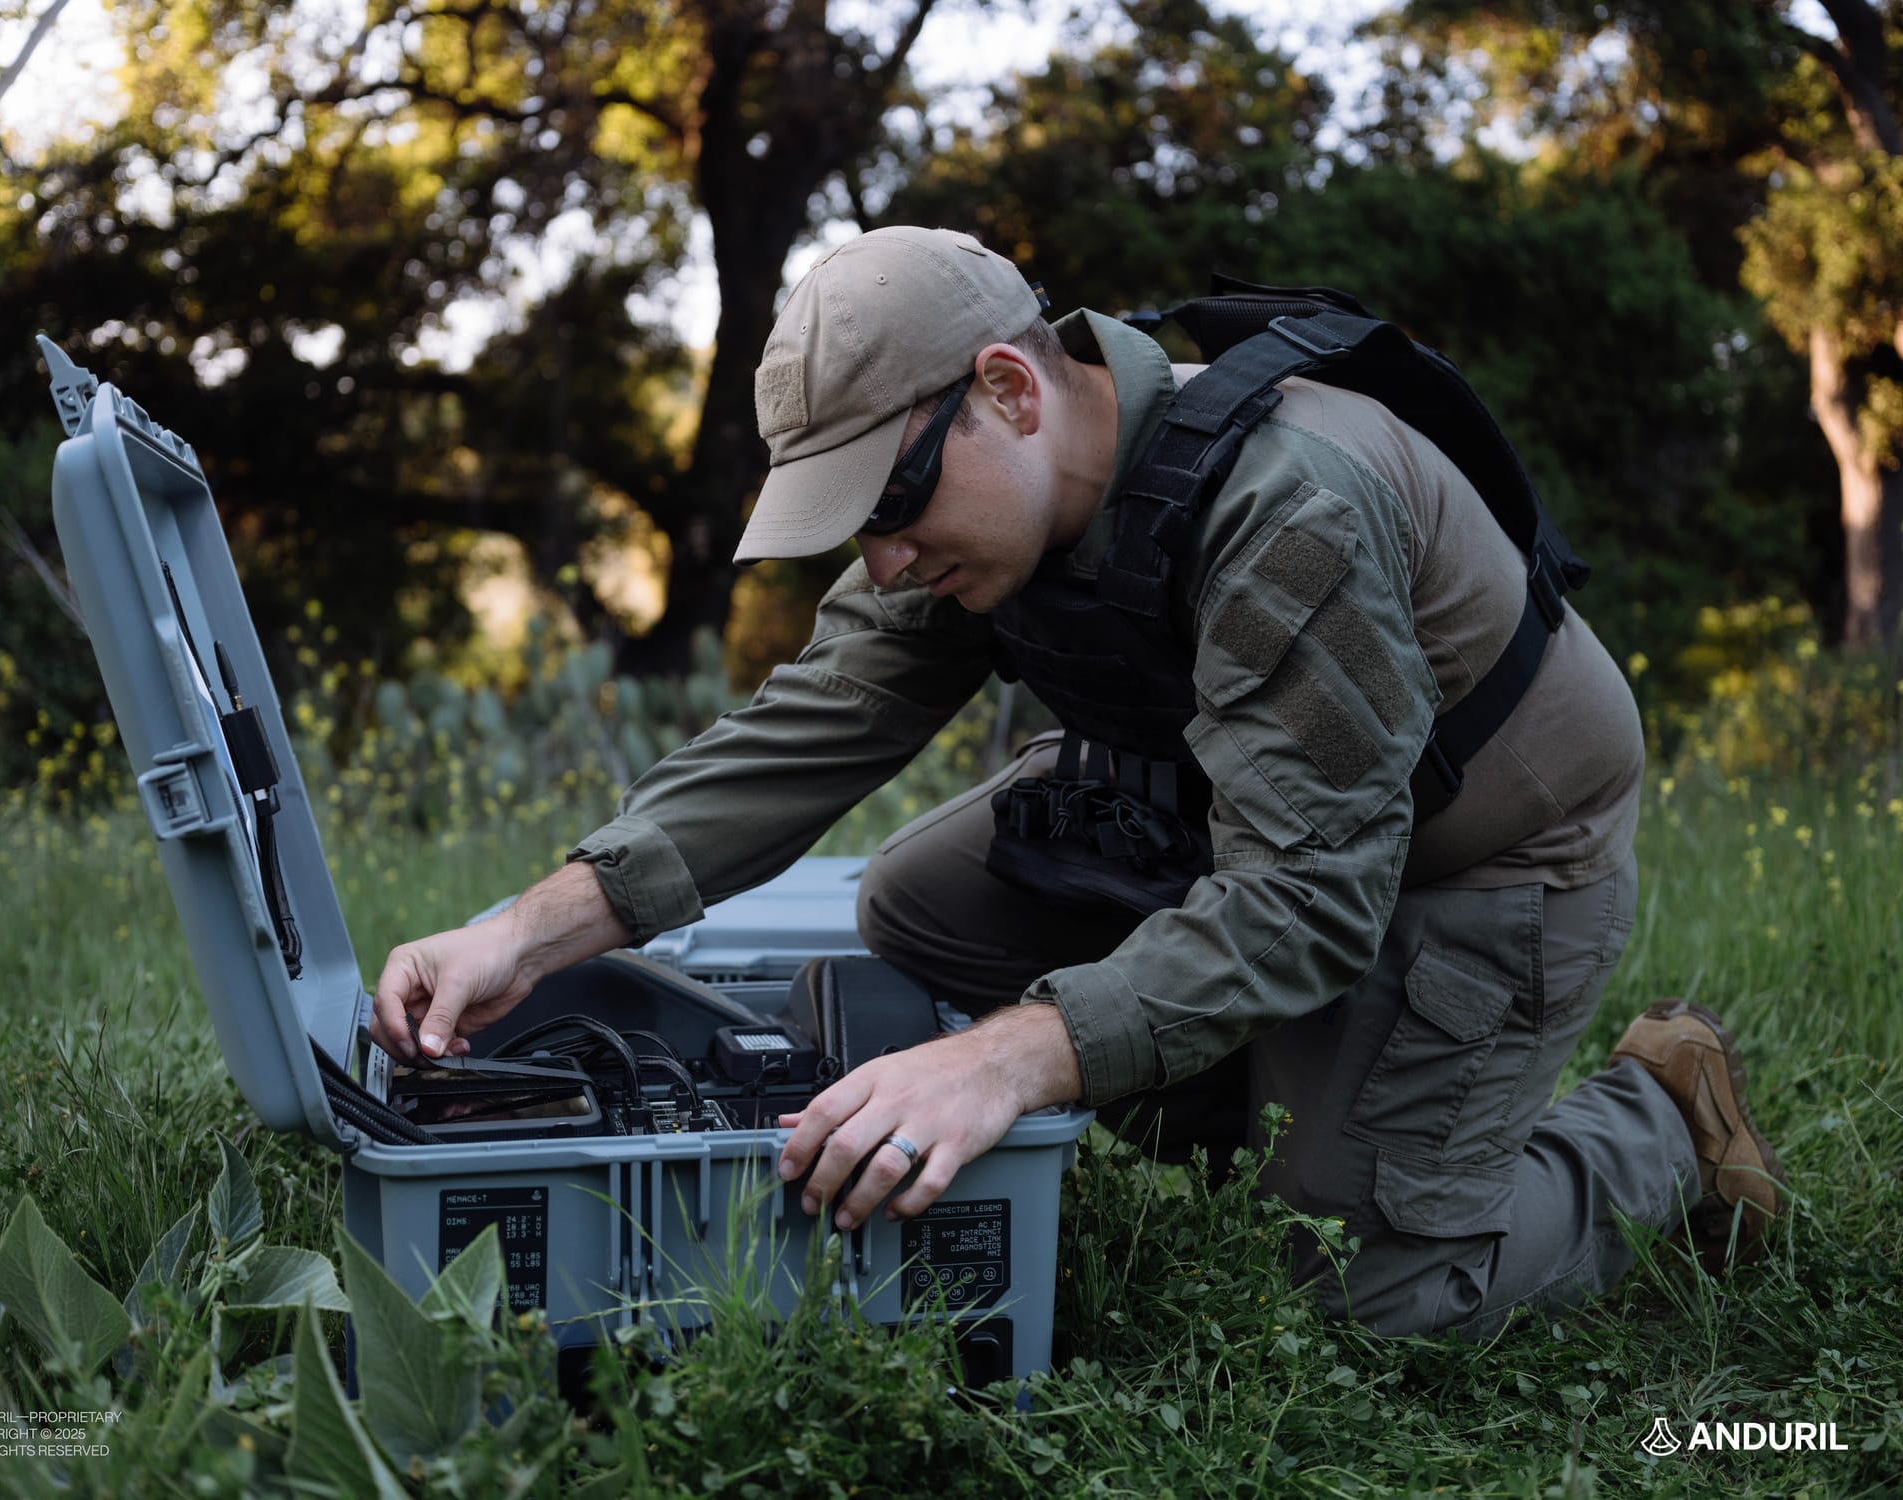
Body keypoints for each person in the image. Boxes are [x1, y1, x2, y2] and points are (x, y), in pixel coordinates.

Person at [372, 226, 1783, 1337]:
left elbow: (1309, 899)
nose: (883, 560)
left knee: (1370, 1294)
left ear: (1007, 390)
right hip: (1250, 811)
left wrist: (1004, 1058)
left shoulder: (1289, 506)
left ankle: (1657, 1115)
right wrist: (526, 933)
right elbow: (813, 723)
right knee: (919, 900)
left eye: (891, 502)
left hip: (1481, 856)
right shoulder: (990, 505)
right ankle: (1262, 1084)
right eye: (852, 526)